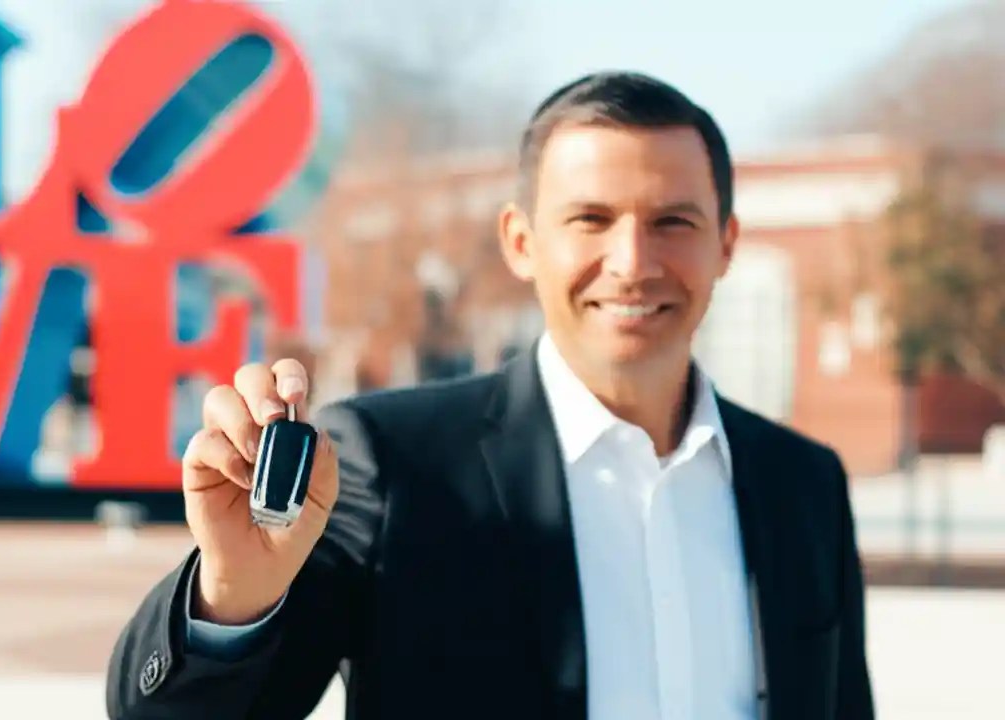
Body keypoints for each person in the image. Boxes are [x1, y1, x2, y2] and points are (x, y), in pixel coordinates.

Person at [105, 71, 875, 720]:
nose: (633, 262)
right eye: (591, 219)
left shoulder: (803, 484)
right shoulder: (393, 464)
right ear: (521, 241)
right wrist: (233, 594)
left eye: (673, 221)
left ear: (726, 243)